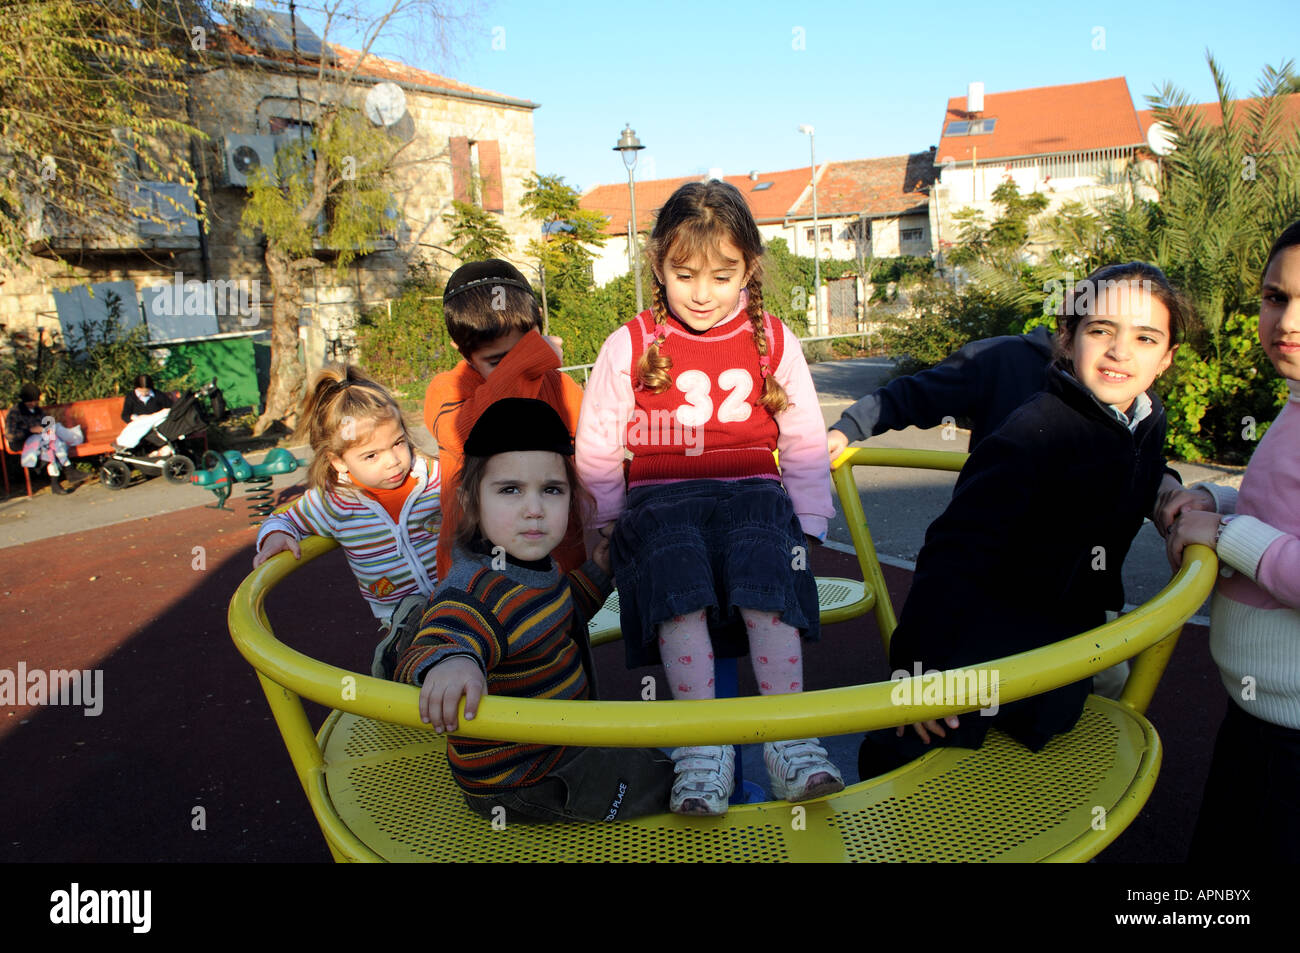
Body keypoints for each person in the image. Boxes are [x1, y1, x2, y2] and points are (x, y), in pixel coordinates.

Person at [858, 262, 1190, 777]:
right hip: (986, 640)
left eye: (1145, 338)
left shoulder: (1144, 421)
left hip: (1066, 633)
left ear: (1166, 359)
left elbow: (1133, 464)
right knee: (918, 760)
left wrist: (1167, 488)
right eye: (1101, 330)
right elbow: (952, 550)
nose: (1120, 352)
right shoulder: (1034, 431)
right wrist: (918, 668)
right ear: (1069, 337)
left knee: (1047, 743)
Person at [575, 180, 840, 816]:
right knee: (676, 589)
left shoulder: (772, 338)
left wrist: (808, 518)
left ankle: (789, 734)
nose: (701, 293)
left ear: (749, 266)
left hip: (750, 488)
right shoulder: (633, 343)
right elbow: (599, 440)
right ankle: (702, 743)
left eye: (722, 275)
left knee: (768, 586)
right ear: (658, 265)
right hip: (663, 495)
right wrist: (606, 519)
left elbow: (802, 434)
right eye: (683, 273)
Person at [396, 398, 674, 823]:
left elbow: (555, 614)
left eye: (551, 490)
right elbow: (446, 634)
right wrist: (450, 662)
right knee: (663, 780)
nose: (534, 508)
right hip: (523, 780)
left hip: (559, 743)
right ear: (471, 501)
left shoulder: (532, 567)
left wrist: (598, 572)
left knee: (647, 751)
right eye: (510, 490)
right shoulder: (476, 590)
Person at [1165, 222, 1300, 862]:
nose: (1286, 320)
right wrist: (1216, 500)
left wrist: (1226, 534)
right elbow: (1281, 506)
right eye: (1276, 297)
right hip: (1261, 712)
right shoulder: (1295, 402)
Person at [254, 365, 441, 679]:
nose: (393, 460)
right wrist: (275, 536)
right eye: (371, 455)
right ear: (338, 461)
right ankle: (402, 655)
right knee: (423, 645)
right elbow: (282, 519)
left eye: (397, 443)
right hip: (397, 614)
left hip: (454, 592)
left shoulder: (434, 476)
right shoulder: (335, 501)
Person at [423, 259, 586, 582]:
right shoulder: (448, 388)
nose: (518, 366)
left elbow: (594, 455)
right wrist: (528, 360)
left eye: (524, 351)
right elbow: (465, 435)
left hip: (558, 570)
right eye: (498, 361)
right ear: (462, 350)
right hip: (479, 576)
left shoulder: (560, 387)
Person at [5, 383, 80, 495]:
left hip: (40, 439)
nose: (36, 403)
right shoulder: (15, 412)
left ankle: (59, 480)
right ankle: (67, 471)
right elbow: (11, 435)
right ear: (28, 400)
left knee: (52, 442)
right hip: (21, 441)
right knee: (51, 444)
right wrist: (30, 430)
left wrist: (47, 427)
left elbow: (47, 422)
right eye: (34, 400)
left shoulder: (37, 410)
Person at [116, 373, 174, 454]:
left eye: (146, 391)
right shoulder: (131, 397)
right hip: (140, 427)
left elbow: (170, 409)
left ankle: (158, 454)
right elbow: (125, 415)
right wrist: (135, 418)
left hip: (157, 427)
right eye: (141, 390)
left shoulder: (158, 395)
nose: (143, 393)